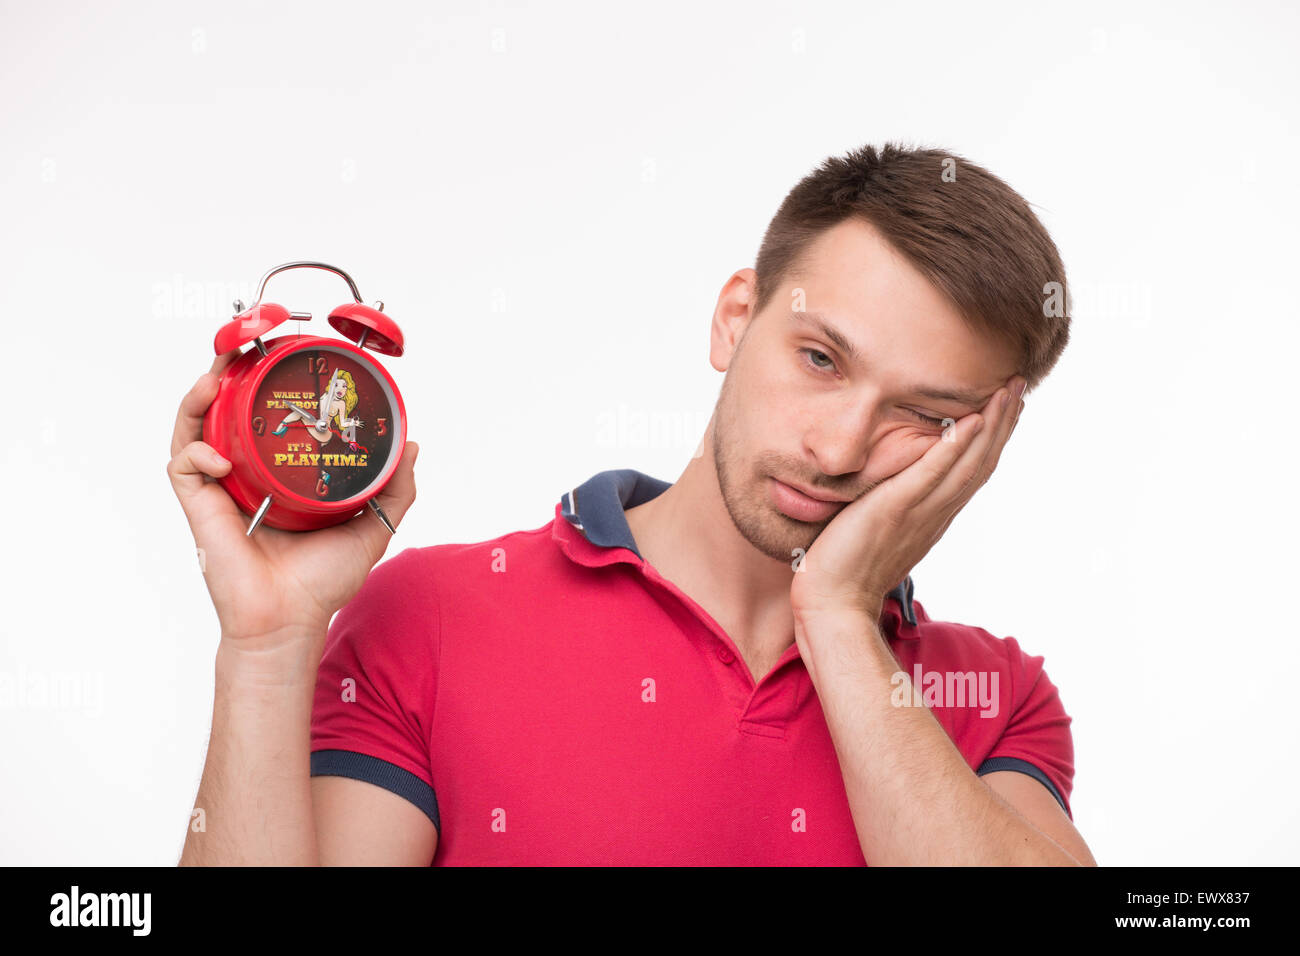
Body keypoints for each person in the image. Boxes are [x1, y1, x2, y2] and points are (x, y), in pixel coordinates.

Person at [169, 142, 1096, 865]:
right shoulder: (432, 619)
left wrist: (840, 621)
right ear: (737, 316)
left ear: (983, 446)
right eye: (820, 359)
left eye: (923, 415)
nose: (839, 448)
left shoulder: (995, 699)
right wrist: (267, 649)